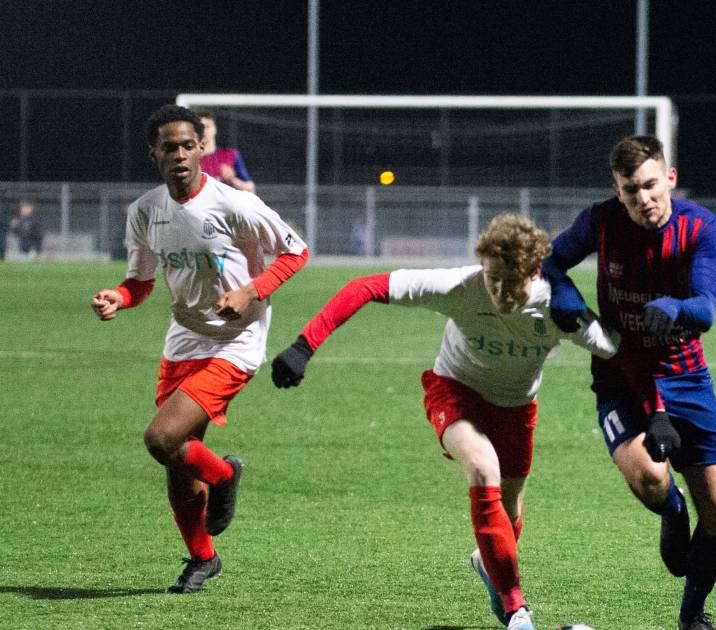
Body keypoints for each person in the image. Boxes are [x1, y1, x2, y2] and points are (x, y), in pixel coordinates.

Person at [269, 213, 619, 630]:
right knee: (482, 467)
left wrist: (653, 408)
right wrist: (303, 345)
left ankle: (488, 565)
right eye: (493, 280)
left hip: (517, 406)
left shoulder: (553, 306)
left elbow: (615, 349)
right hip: (455, 392)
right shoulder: (461, 286)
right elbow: (364, 287)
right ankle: (517, 611)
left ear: (534, 271)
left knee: (509, 510)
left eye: (512, 281)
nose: (500, 292)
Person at [90, 104, 308, 594]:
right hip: (184, 336)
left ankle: (225, 475)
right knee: (177, 457)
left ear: (202, 149)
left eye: (189, 145)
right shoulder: (145, 211)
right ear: (156, 155)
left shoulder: (235, 205)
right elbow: (140, 282)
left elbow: (297, 251)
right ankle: (202, 559)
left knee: (161, 439)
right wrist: (118, 298)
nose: (181, 155)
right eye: (170, 147)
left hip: (237, 340)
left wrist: (250, 291)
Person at [540, 135, 716, 630]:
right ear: (617, 189)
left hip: (686, 375)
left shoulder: (701, 227)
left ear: (669, 178)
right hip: (620, 373)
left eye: (651, 185)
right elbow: (550, 262)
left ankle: (691, 617)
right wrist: (565, 296)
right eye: (631, 190)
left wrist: (676, 308)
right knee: (651, 478)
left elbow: (706, 309)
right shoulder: (600, 221)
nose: (643, 199)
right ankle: (672, 511)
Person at [195, 109, 256, 193]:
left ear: (215, 128)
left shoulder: (230, 154)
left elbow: (250, 188)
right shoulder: (191, 158)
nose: (204, 131)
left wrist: (232, 180)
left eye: (207, 126)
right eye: (200, 127)